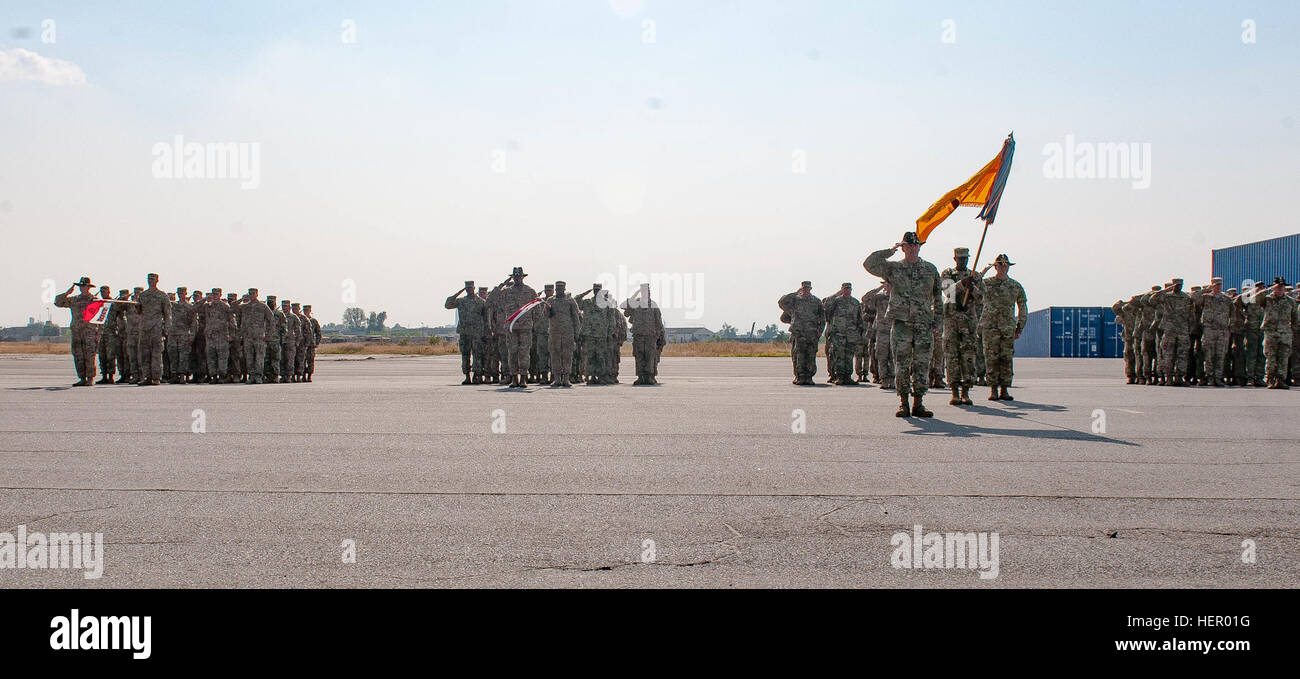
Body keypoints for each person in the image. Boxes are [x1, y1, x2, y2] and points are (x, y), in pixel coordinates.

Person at [863, 231, 942, 417]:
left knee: (922, 364)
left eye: (916, 246)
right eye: (909, 246)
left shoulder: (930, 269)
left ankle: (919, 403)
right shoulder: (894, 268)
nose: (913, 249)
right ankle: (903, 403)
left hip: (923, 323)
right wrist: (890, 251)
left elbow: (938, 296)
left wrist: (938, 320)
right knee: (902, 364)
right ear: (903, 248)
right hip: (901, 324)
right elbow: (869, 264)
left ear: (919, 247)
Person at [978, 254, 1028, 400]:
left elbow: (1022, 307)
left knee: (1006, 358)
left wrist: (1020, 327)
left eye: (1006, 265)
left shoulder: (1015, 286)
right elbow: (974, 285)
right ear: (995, 266)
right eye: (1000, 265)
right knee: (991, 358)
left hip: (1007, 328)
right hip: (990, 327)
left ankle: (1004, 389)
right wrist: (983, 272)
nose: (1003, 268)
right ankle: (993, 389)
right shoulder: (987, 283)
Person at [941, 247, 982, 405]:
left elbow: (981, 298)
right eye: (960, 258)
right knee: (952, 356)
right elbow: (947, 292)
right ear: (955, 259)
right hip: (952, 321)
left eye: (966, 258)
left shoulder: (975, 276)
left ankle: (966, 391)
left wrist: (973, 288)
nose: (963, 261)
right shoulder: (948, 274)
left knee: (968, 356)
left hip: (969, 322)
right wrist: (962, 283)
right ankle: (954, 391)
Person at [778, 281, 826, 385]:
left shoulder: (816, 301)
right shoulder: (795, 300)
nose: (806, 290)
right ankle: (799, 376)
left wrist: (820, 331)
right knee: (798, 355)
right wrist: (795, 293)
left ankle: (809, 377)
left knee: (811, 355)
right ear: (801, 288)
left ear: (811, 289)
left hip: (811, 332)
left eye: (807, 288)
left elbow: (822, 317)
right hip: (799, 332)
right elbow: (782, 302)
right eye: (804, 288)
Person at [54, 276, 99, 386]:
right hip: (77, 331)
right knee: (78, 355)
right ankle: (82, 378)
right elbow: (58, 302)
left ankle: (90, 378)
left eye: (84, 286)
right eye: (81, 286)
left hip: (89, 331)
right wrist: (66, 293)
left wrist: (98, 333)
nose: (82, 288)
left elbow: (100, 317)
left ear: (89, 287)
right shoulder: (74, 300)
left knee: (89, 355)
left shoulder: (94, 300)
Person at [500, 267, 538, 388]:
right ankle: (514, 378)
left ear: (522, 277)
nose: (517, 278)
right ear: (512, 277)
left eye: (519, 276)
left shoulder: (530, 291)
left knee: (524, 353)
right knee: (512, 352)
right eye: (515, 276)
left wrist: (535, 326)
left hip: (525, 327)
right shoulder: (506, 291)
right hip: (512, 327)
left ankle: (523, 378)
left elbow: (536, 310)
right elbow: (491, 300)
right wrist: (503, 283)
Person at [623, 284, 666, 385]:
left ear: (649, 292)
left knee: (650, 356)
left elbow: (658, 322)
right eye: (642, 291)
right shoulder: (636, 304)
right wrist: (634, 295)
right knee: (639, 356)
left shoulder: (653, 305)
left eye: (646, 291)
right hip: (638, 336)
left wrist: (660, 337)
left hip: (650, 336)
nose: (645, 293)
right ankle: (640, 377)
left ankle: (650, 376)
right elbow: (624, 309)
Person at [1259, 277, 1298, 389]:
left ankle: (1280, 380)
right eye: (1278, 287)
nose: (1280, 289)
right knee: (1270, 357)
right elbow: (1253, 299)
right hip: (1270, 332)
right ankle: (1271, 380)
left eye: (1282, 287)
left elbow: (1295, 319)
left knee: (1283, 357)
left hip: (1285, 333)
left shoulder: (1290, 301)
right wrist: (1268, 289)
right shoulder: (1267, 299)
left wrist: (1292, 332)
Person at [822, 283, 863, 385]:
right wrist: (836, 294)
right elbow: (826, 306)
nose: (847, 290)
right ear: (842, 289)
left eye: (849, 289)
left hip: (851, 333)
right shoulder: (836, 301)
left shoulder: (855, 302)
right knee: (838, 355)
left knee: (849, 356)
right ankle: (839, 376)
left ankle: (848, 376)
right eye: (845, 289)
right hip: (838, 333)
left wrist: (859, 332)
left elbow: (859, 318)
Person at [1197, 278, 1232, 387]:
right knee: (1209, 355)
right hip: (1209, 329)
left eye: (1219, 285)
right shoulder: (1206, 297)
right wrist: (1206, 290)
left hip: (1222, 330)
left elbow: (1232, 313)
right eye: (1216, 285)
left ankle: (1218, 377)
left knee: (1220, 355)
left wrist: (1229, 328)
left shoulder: (1226, 299)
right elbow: (1194, 299)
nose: (1218, 286)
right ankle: (1210, 377)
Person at [546, 281, 581, 387]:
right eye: (557, 288)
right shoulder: (550, 300)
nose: (559, 290)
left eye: (561, 288)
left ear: (564, 289)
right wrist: (548, 310)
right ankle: (557, 378)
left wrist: (576, 333)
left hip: (567, 332)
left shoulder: (570, 301)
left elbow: (576, 317)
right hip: (554, 332)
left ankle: (566, 378)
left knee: (567, 355)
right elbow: (546, 315)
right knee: (555, 354)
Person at [240, 289, 274, 384]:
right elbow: (232, 308)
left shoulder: (263, 307)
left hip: (259, 337)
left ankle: (258, 377)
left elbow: (271, 321)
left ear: (257, 294)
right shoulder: (245, 307)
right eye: (249, 294)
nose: (251, 295)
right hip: (248, 337)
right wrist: (240, 299)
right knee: (249, 358)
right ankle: (251, 376)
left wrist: (268, 335)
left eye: (253, 294)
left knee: (259, 358)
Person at [94, 286, 117, 384]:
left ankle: (111, 376)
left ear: (109, 291)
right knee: (102, 355)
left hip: (111, 332)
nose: (103, 293)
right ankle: (104, 376)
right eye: (102, 292)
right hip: (101, 332)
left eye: (105, 291)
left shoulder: (113, 303)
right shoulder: (100, 304)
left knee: (110, 355)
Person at [303, 304, 321, 382]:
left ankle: (309, 376)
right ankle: (302, 376)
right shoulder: (301, 319)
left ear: (310, 311)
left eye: (307, 310)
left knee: (310, 361)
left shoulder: (313, 321)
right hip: (302, 344)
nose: (306, 312)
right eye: (304, 310)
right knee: (301, 361)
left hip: (311, 344)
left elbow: (318, 333)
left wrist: (317, 343)